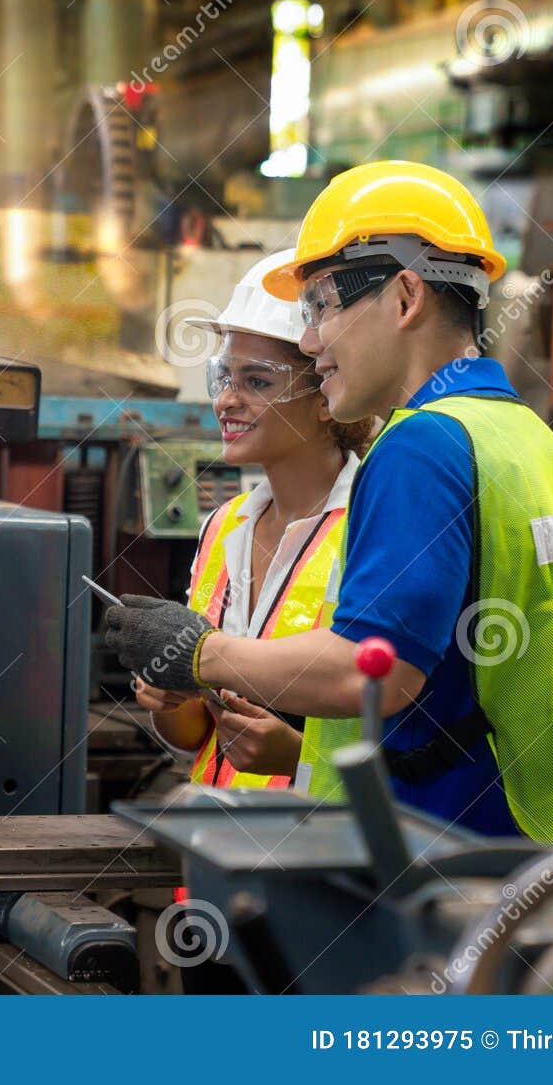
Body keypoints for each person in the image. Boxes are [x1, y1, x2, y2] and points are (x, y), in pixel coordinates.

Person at [106, 161, 553, 847]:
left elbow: (377, 668)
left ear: (404, 296)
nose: (311, 341)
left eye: (324, 306)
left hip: (465, 870)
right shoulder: (530, 441)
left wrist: (200, 653)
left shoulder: (423, 444)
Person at [131, 250, 374, 796]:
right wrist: (168, 696)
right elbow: (196, 737)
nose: (227, 401)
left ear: (326, 397)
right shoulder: (224, 524)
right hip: (217, 845)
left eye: (259, 382)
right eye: (224, 377)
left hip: (322, 850)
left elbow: (412, 727)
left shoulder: (371, 525)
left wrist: (298, 755)